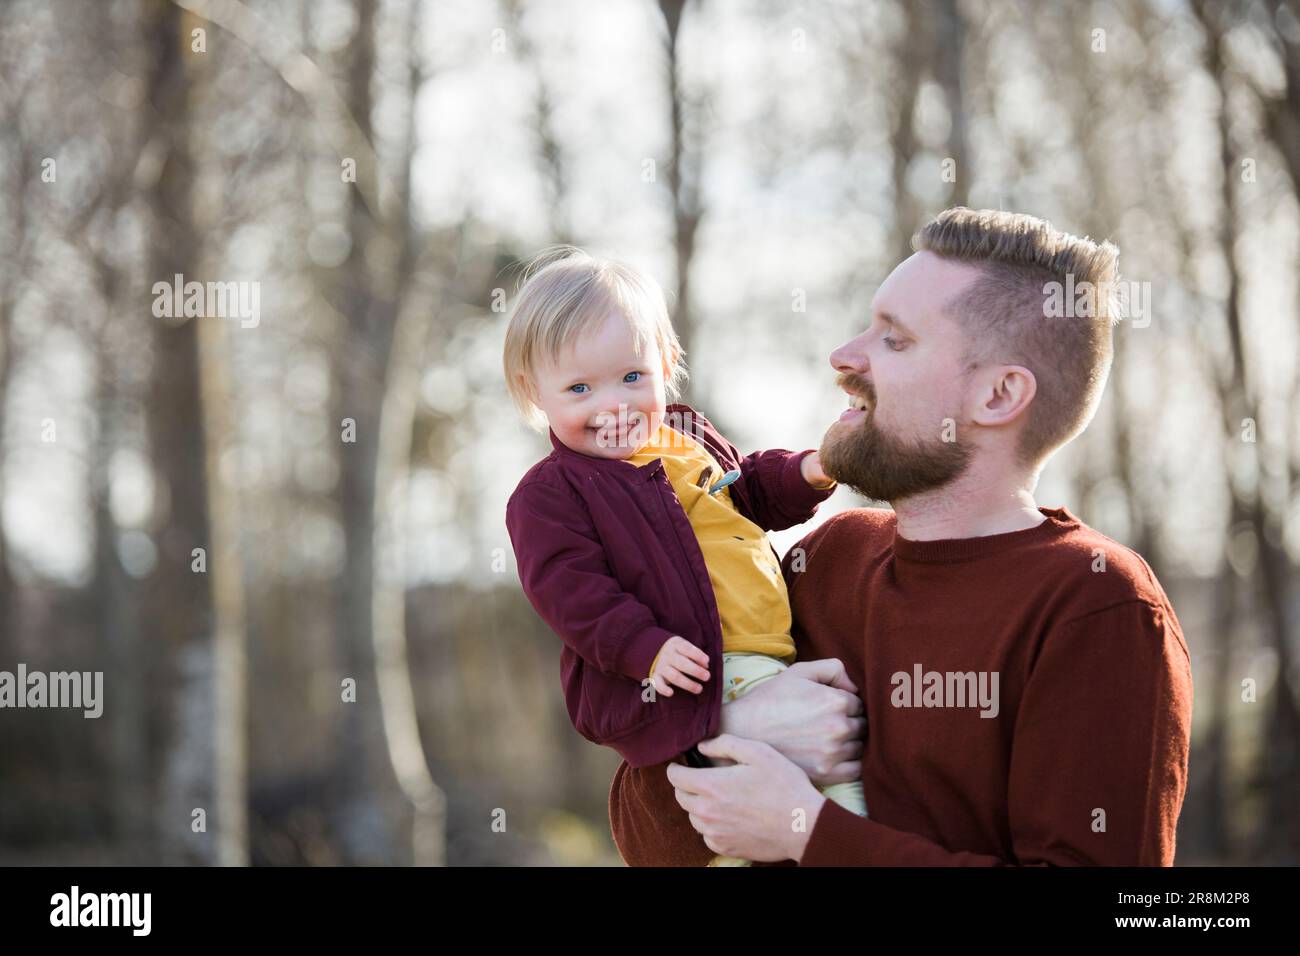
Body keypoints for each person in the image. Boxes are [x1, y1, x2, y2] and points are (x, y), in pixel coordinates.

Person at [608, 208, 1194, 866]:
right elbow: (647, 841)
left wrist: (807, 833)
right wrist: (729, 731)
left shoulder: (1098, 607)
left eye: (894, 339)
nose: (844, 357)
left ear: (998, 395)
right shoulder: (822, 560)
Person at [502, 248, 866, 865]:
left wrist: (811, 468)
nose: (612, 405)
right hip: (692, 673)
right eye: (580, 388)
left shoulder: (688, 442)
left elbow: (745, 492)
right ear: (534, 392)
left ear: (666, 365)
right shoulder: (553, 494)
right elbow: (572, 593)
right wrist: (643, 646)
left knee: (842, 801)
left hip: (771, 655)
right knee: (750, 809)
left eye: (631, 377)